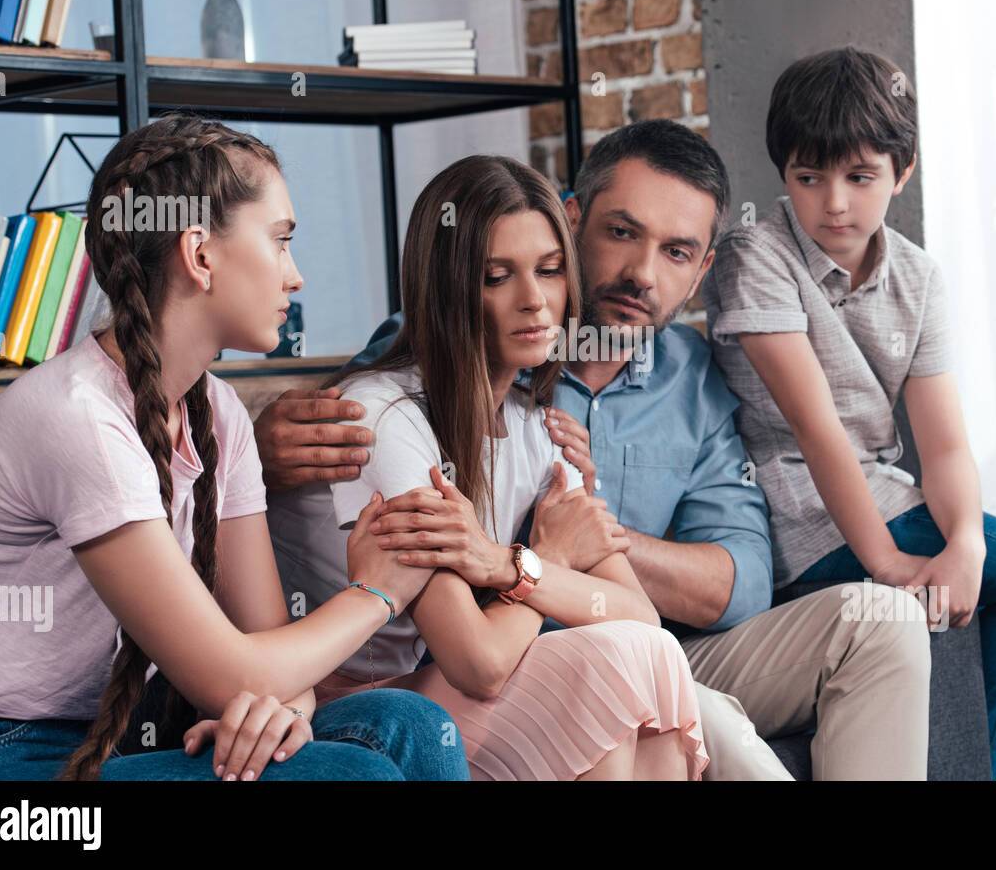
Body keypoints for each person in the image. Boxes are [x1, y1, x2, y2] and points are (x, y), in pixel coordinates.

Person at [260, 120, 932, 780]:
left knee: (868, 620)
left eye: (676, 252)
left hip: (610, 637)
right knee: (638, 674)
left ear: (701, 272)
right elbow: (356, 409)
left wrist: (567, 545)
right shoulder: (439, 368)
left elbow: (737, 583)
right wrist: (263, 440)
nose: (641, 273)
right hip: (484, 661)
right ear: (575, 217)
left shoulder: (642, 392)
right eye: (621, 233)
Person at [0, 114, 467, 782]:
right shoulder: (78, 420)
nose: (296, 275)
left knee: (416, 727)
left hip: (134, 729)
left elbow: (266, 654)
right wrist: (377, 592)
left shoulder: (218, 412)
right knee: (348, 776)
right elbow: (237, 670)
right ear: (199, 254)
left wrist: (279, 709)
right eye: (280, 241)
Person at [268, 154, 708, 781]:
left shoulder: (541, 427)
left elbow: (640, 615)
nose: (535, 301)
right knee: (609, 663)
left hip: (434, 686)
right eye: (497, 276)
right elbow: (477, 662)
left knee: (640, 653)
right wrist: (548, 561)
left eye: (551, 271)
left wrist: (510, 565)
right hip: (343, 705)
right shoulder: (384, 416)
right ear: (447, 288)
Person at [701, 47, 996, 777]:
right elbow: (816, 432)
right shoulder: (757, 256)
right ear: (784, 174)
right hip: (801, 513)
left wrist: (965, 540)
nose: (833, 202)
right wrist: (887, 561)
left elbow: (942, 445)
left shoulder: (917, 275)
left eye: (859, 177)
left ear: (902, 172)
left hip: (885, 494)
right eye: (808, 177)